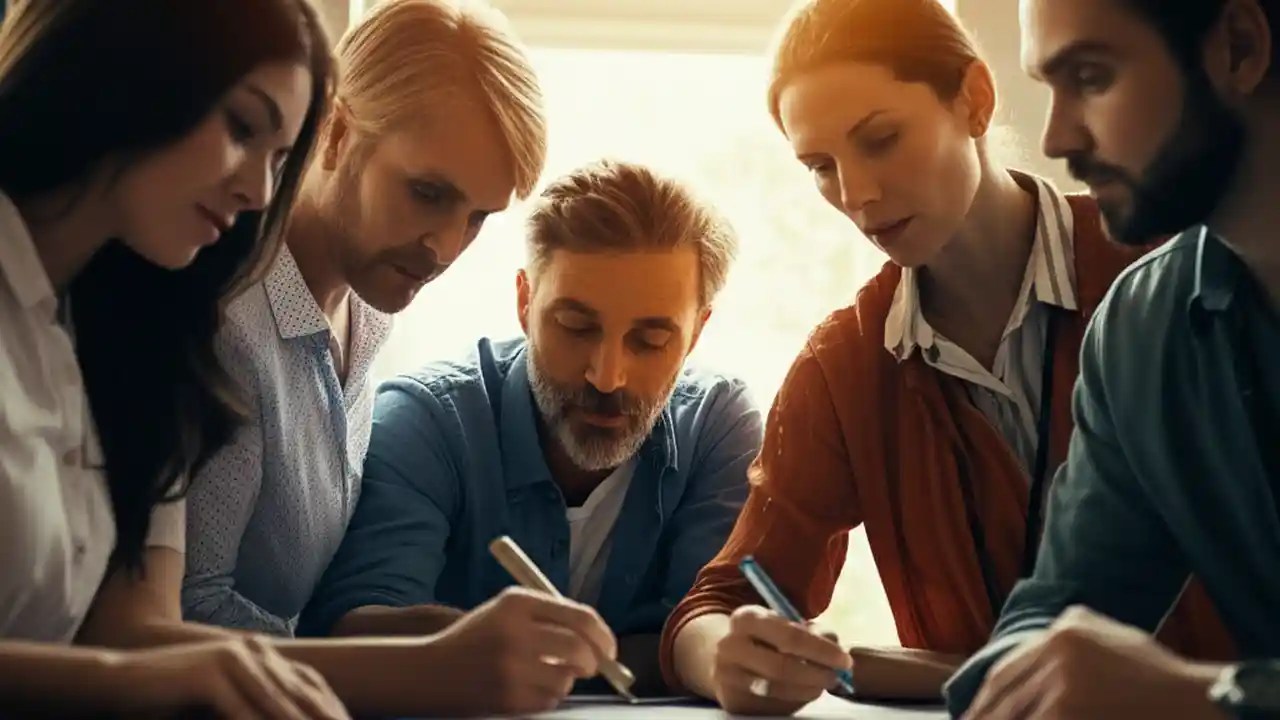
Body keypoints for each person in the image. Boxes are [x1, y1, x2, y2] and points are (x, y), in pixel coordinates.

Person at [659, 0, 1234, 714]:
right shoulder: (845, 366)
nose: (856, 194)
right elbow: (717, 603)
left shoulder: (1169, 286)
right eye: (820, 166)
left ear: (975, 99)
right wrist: (728, 658)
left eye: (881, 139)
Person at [0, 0, 349, 716]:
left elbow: (131, 630)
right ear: (131, 70)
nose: (258, 191)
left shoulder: (133, 340)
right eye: (242, 127)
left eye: (280, 161)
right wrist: (125, 681)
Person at [299, 158, 763, 695]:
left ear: (697, 331)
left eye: (650, 342)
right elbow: (353, 629)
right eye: (575, 326)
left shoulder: (718, 427)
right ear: (525, 302)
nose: (607, 376)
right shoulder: (426, 420)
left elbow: (713, 620)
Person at [945, 0, 1280, 717]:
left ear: (1241, 48)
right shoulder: (1142, 329)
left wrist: (1208, 700)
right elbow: (1049, 622)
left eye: (1091, 77)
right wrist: (1035, 674)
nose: (1057, 137)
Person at [181, 0, 547, 638]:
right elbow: (190, 612)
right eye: (427, 194)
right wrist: (413, 665)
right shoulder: (232, 322)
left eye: (478, 217)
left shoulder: (365, 312)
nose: (445, 248)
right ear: (336, 132)